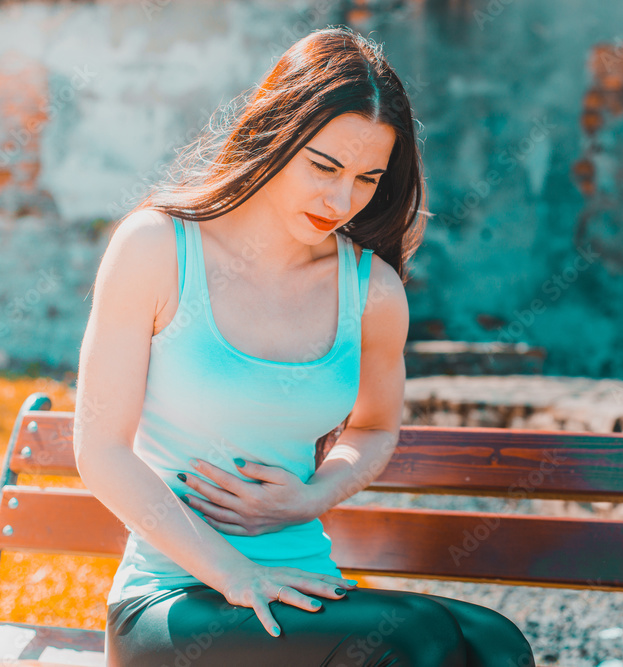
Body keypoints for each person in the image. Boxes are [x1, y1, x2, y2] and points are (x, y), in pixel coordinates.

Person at [73, 25, 537, 667]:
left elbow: (373, 428)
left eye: (368, 178)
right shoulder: (156, 250)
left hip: (304, 592)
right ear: (276, 132)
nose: (341, 200)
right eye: (325, 167)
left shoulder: (371, 290)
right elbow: (99, 449)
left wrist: (311, 497)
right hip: (174, 603)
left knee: (497, 645)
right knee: (415, 643)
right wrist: (236, 574)